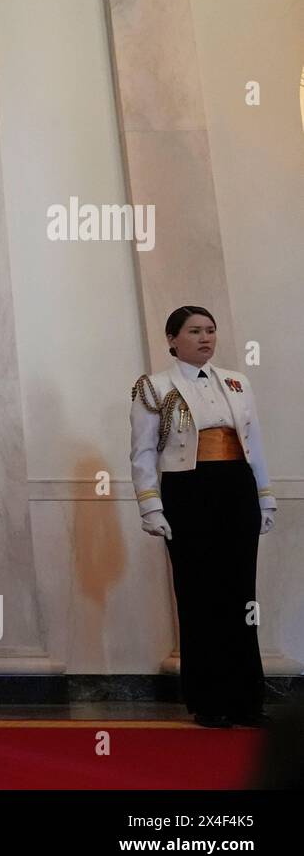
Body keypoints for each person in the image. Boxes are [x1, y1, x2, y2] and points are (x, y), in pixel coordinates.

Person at [130, 305, 275, 728]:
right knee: (198, 595)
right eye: (194, 331)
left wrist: (265, 498)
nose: (205, 338)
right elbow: (141, 453)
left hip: (236, 487)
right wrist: (150, 505)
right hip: (188, 491)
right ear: (172, 339)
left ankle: (246, 698)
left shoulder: (237, 381)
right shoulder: (154, 387)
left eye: (210, 330)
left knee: (240, 595)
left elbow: (255, 443)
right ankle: (209, 700)